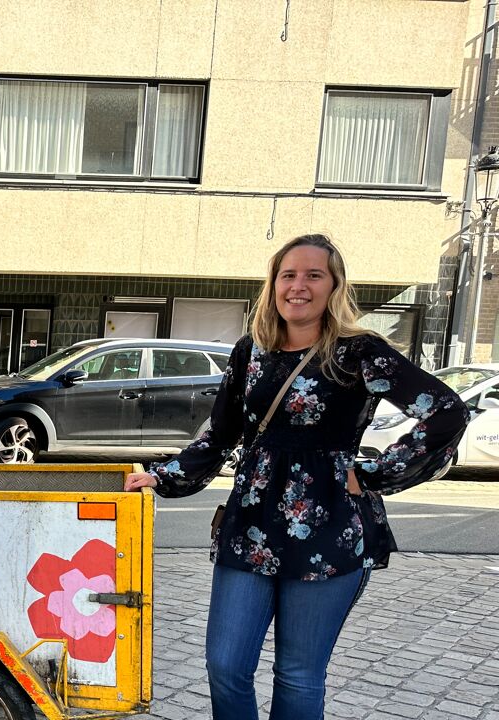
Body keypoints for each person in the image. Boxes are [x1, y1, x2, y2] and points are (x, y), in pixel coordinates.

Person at [123, 233, 467, 720]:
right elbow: (220, 435)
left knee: (299, 675)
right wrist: (161, 476)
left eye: (313, 275)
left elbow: (446, 411)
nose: (298, 286)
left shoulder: (360, 352)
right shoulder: (252, 351)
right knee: (225, 665)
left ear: (334, 286)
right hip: (252, 524)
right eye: (288, 275)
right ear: (273, 284)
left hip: (329, 528)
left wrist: (374, 473)